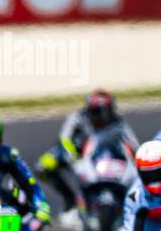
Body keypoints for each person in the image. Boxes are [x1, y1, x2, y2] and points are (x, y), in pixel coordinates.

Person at [37, 90, 138, 220]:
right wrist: (71, 155)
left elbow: (134, 144)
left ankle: (124, 207)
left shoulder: (118, 122)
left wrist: (134, 158)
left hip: (108, 157)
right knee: (43, 165)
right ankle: (71, 200)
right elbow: (64, 138)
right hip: (77, 155)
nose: (103, 116)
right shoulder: (78, 117)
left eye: (106, 111)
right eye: (98, 111)